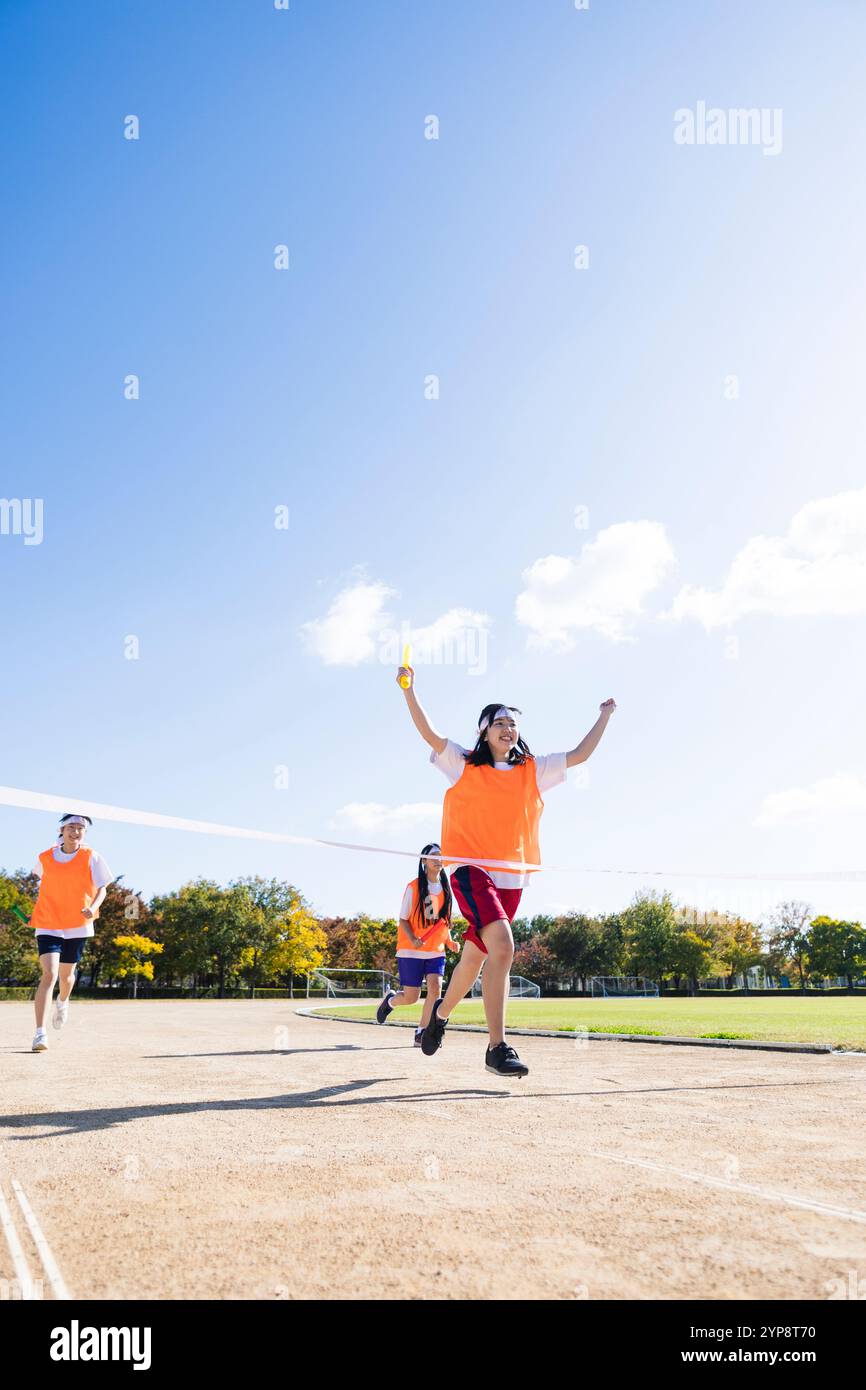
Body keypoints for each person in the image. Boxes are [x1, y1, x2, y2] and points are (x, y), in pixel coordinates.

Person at [398, 665, 615, 1077]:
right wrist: (409, 689)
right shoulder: (463, 763)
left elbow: (581, 754)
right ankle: (497, 1048)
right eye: (499, 723)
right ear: (483, 732)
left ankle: (440, 1015)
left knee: (476, 957)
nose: (507, 729)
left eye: (512, 724)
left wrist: (603, 716)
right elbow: (428, 733)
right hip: (471, 871)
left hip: (512, 879)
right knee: (504, 948)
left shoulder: (533, 769)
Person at [29, 814, 113, 1052]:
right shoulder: (46, 857)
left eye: (80, 829)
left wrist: (93, 908)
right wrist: (34, 913)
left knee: (66, 977)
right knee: (50, 974)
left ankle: (63, 1001)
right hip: (48, 922)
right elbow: (41, 882)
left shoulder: (92, 857)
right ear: (62, 830)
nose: (75, 832)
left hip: (77, 923)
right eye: (71, 828)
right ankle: (40, 1034)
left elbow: (103, 889)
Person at [376, 843, 460, 1045]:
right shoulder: (413, 887)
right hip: (411, 950)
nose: (438, 859)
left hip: (435, 951)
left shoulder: (447, 889)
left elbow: (444, 922)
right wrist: (413, 939)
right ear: (424, 860)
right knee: (412, 997)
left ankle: (422, 1031)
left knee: (435, 989)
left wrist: (449, 941)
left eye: (441, 855)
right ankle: (391, 1001)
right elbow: (403, 919)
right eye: (433, 855)